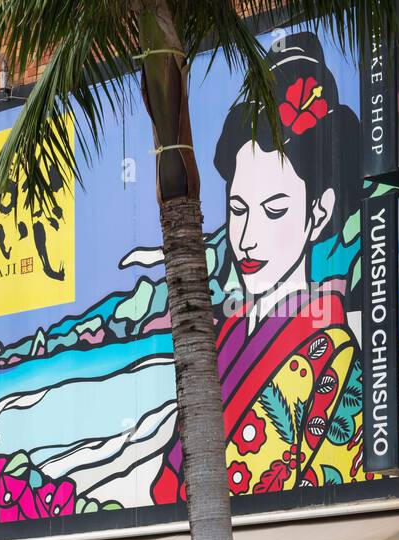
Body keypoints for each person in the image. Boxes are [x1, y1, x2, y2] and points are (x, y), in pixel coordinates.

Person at [151, 32, 366, 504]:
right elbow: (167, 486)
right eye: (238, 209)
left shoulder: (335, 355)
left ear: (319, 212)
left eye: (273, 211)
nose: (247, 238)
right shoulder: (218, 340)